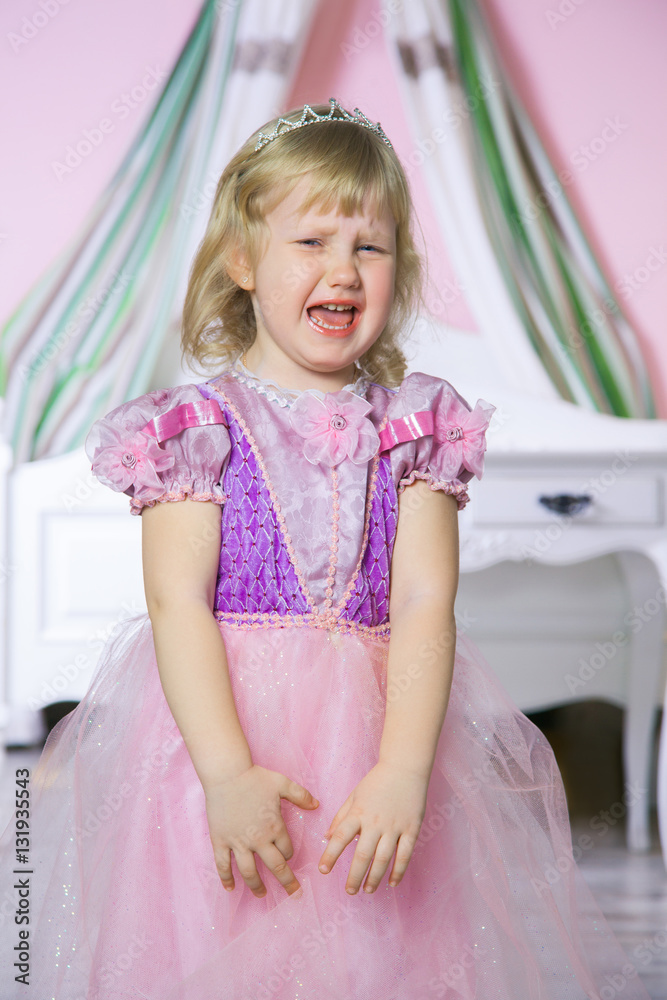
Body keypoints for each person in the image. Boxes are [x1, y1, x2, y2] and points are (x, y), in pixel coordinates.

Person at [0, 99, 650, 1000]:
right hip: (220, 738)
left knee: (375, 936)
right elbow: (176, 604)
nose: (342, 268)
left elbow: (426, 601)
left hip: (374, 741)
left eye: (369, 247)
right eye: (311, 242)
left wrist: (403, 770)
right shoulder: (194, 429)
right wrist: (225, 776)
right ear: (241, 262)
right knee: (228, 936)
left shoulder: (417, 426)